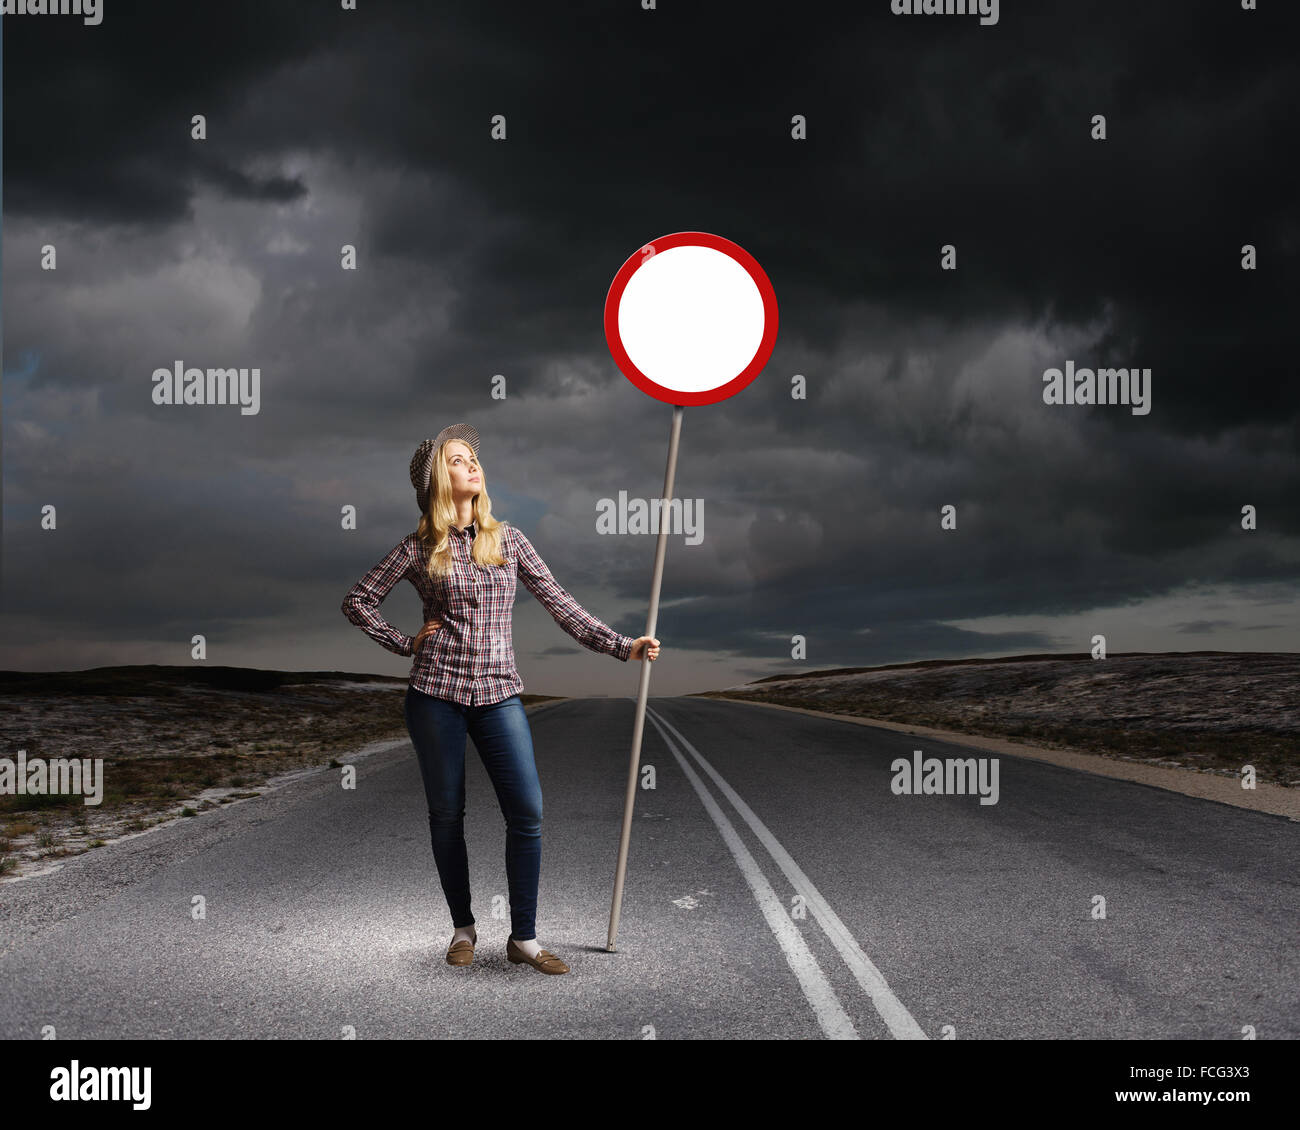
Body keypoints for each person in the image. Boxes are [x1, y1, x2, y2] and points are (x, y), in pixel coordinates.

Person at [341, 424, 661, 975]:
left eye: (473, 458)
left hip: (499, 696)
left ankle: (525, 939)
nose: (473, 465)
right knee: (447, 813)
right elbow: (358, 600)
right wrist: (405, 643)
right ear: (440, 479)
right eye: (459, 460)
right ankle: (463, 929)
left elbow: (562, 605)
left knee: (527, 812)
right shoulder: (418, 548)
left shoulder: (508, 540)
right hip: (434, 695)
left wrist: (621, 646)